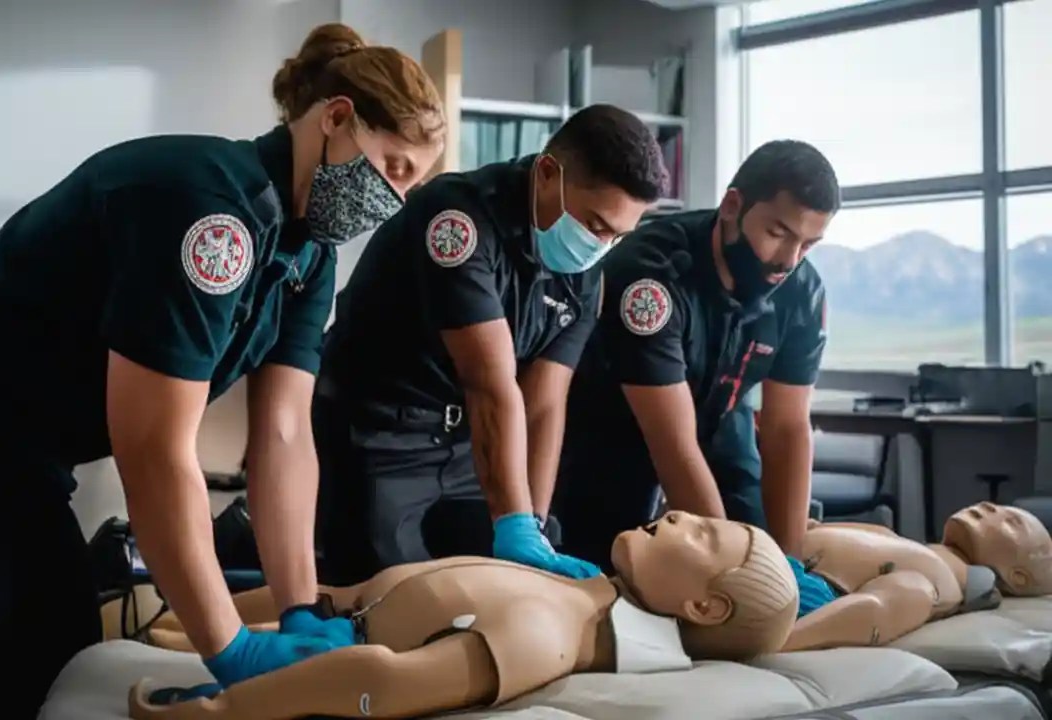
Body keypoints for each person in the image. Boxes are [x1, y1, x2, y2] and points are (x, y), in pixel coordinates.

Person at [0, 22, 445, 717]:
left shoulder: (307, 259)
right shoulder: (207, 207)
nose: (394, 200)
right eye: (394, 168)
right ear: (338, 118)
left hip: (19, 459)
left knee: (57, 660)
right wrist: (229, 648)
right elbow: (154, 450)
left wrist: (298, 606)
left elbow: (285, 436)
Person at [313, 104, 670, 586]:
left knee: (518, 586)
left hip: (465, 445)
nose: (601, 245)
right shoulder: (457, 219)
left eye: (617, 235)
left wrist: (534, 527)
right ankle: (248, 543)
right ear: (547, 173)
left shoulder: (585, 271)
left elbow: (544, 402)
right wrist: (513, 523)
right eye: (596, 224)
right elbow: (491, 384)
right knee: (386, 596)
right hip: (379, 435)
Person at [131, 510, 798, 720]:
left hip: (323, 655)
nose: (682, 515)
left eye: (706, 535)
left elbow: (387, 683)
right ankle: (151, 608)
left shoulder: (553, 638)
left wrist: (219, 710)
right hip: (326, 614)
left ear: (704, 606)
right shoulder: (586, 589)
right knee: (165, 618)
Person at [553, 140, 841, 573]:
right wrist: (736, 575)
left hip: (724, 423)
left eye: (808, 245)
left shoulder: (803, 291)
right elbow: (674, 446)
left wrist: (787, 567)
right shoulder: (649, 275)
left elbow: (786, 428)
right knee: (624, 570)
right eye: (778, 233)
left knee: (766, 551)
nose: (788, 261)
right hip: (614, 432)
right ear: (732, 206)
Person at [782, 501, 1052, 651]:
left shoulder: (941, 581)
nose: (989, 507)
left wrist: (781, 639)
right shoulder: (895, 540)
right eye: (997, 506)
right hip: (773, 556)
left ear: (1018, 577)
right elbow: (809, 528)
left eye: (1011, 522)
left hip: (796, 590)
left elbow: (879, 608)